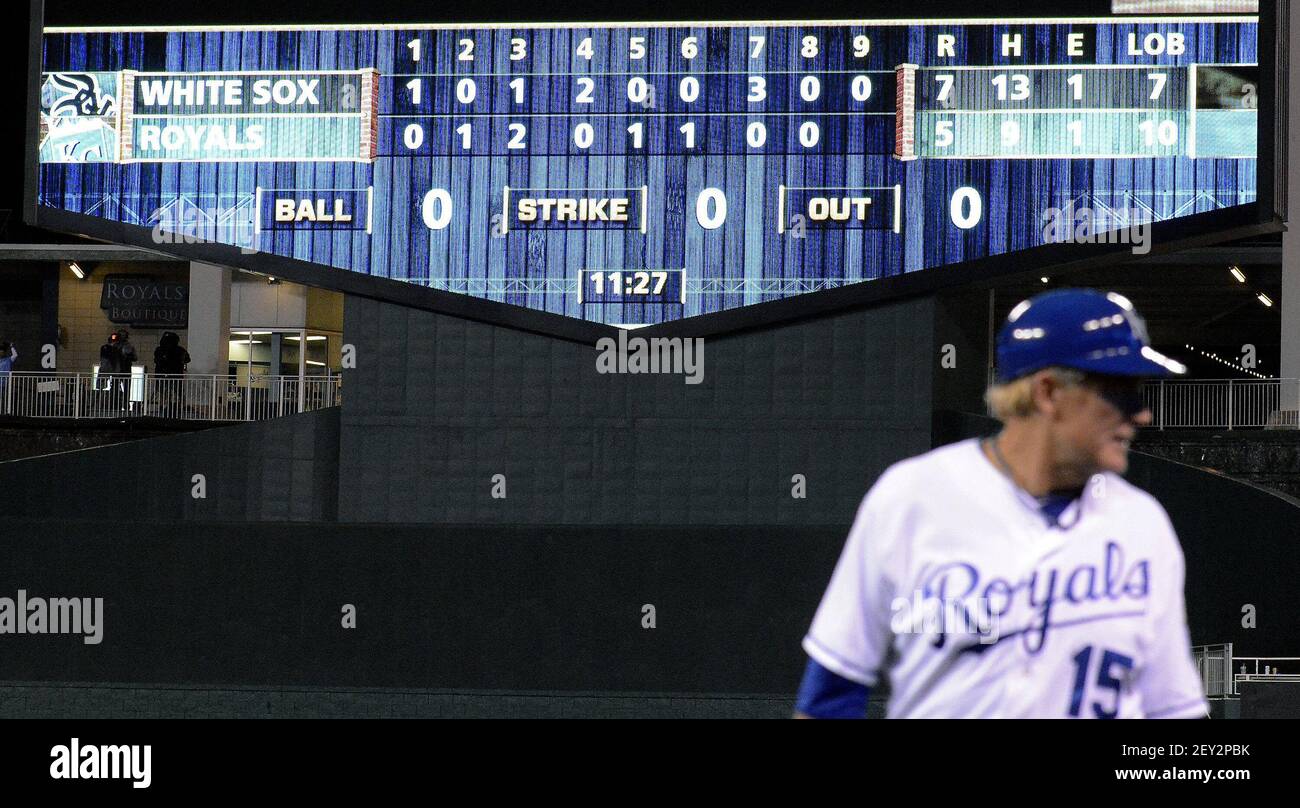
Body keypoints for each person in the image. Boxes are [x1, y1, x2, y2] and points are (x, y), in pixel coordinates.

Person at [795, 289, 1208, 719]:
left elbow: (1174, 709)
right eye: (1123, 392)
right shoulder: (910, 498)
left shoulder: (1143, 524)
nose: (1142, 415)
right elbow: (831, 693)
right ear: (1048, 393)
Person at [152, 331, 191, 416]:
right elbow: (157, 360)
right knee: (165, 391)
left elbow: (187, 359)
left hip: (173, 374)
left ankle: (178, 406)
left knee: (176, 392)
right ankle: (166, 406)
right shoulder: (160, 350)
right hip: (165, 374)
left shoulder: (179, 350)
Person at [0, 340, 15, 414]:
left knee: (6, 397)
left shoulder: (8, 359)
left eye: (2, 351)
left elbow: (15, 355)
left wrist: (11, 347)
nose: (1, 353)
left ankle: (6, 411)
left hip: (6, 383)